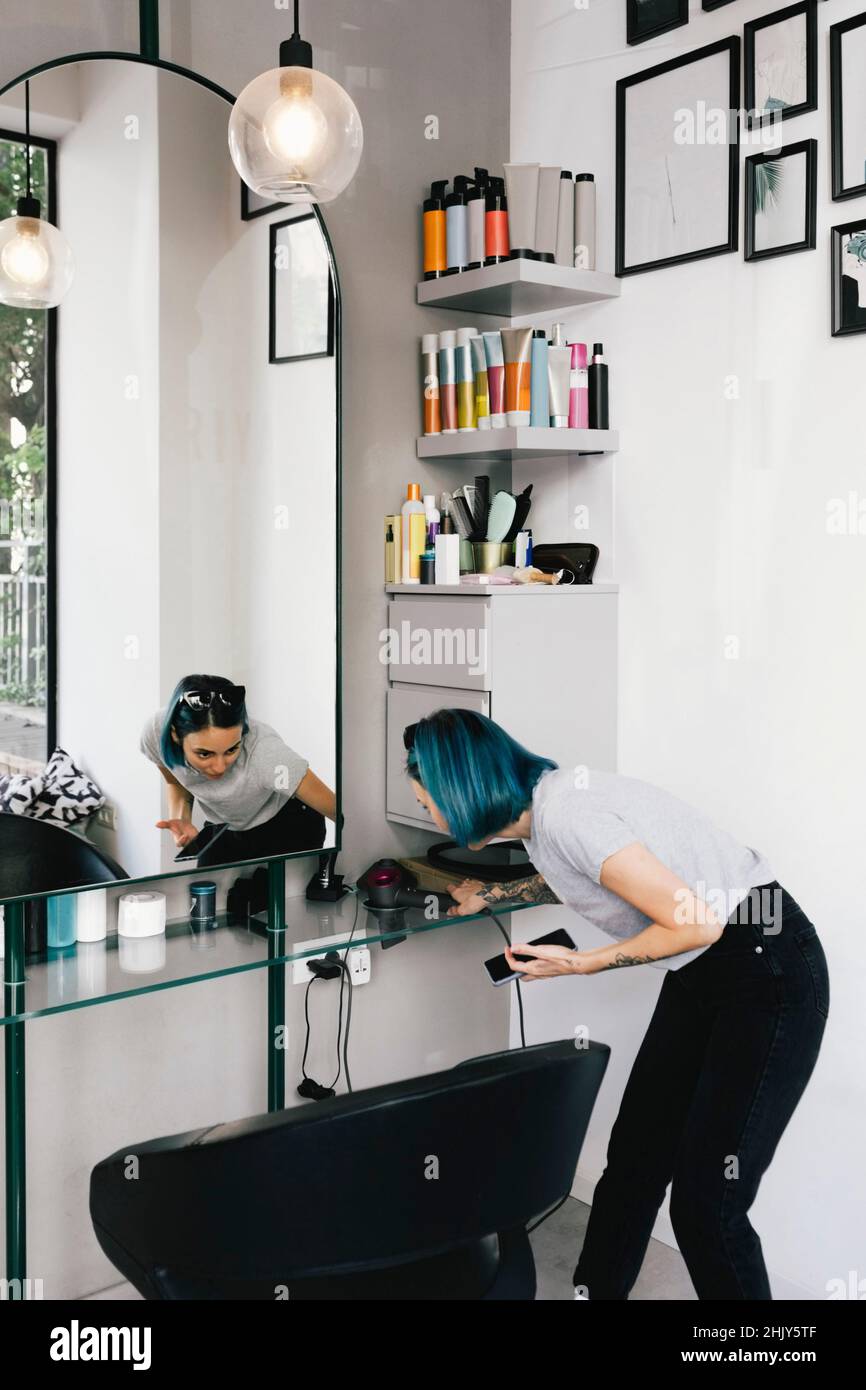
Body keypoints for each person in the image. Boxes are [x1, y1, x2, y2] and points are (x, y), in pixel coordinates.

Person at [403, 709, 829, 1301]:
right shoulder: (543, 815)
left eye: (430, 802)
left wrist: (582, 963)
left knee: (709, 1203)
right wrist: (495, 894)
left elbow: (695, 923)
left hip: (766, 972)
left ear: (462, 789)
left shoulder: (571, 815)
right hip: (702, 969)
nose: (430, 815)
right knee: (635, 1160)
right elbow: (580, 874)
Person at [140, 674, 336, 866]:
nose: (219, 767)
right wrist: (181, 818)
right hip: (224, 825)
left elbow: (340, 812)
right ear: (175, 735)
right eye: (204, 754)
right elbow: (174, 780)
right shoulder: (157, 733)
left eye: (232, 749)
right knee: (208, 892)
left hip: (287, 823)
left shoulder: (265, 754)